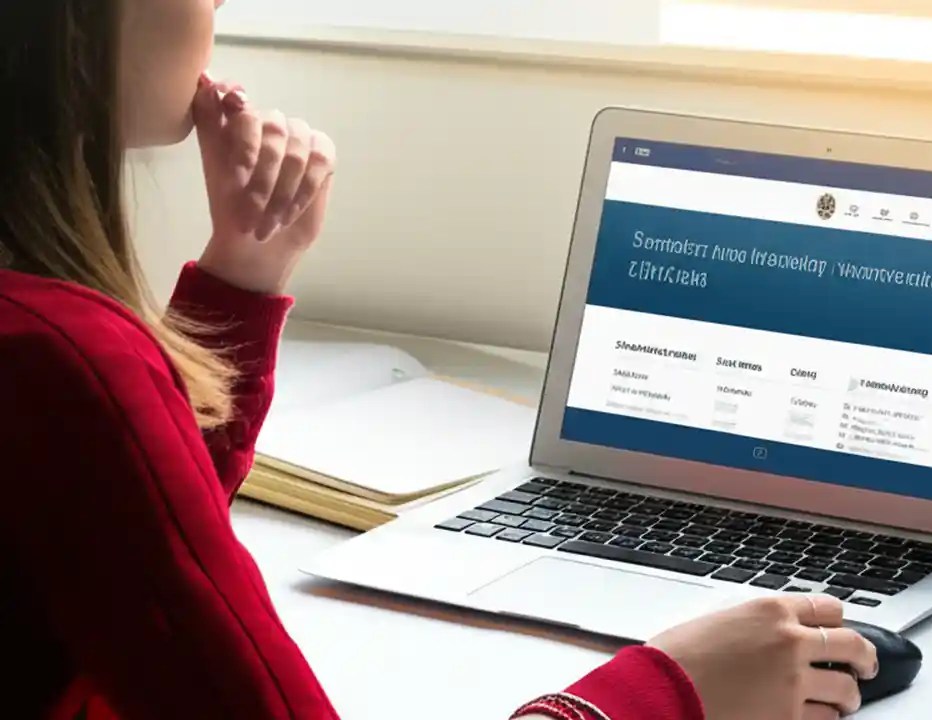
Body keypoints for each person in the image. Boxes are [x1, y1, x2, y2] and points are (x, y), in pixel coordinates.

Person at [0, 2, 878, 719]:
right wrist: (661, 695)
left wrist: (244, 272)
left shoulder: (48, 353)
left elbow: (108, 540)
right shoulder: (66, 358)